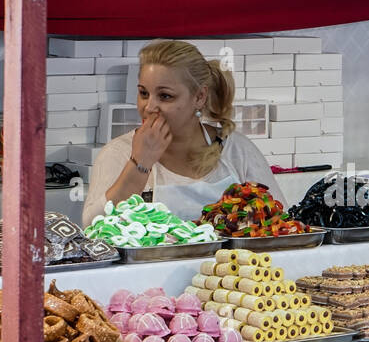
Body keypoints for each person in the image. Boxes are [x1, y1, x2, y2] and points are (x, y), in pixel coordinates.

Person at [82, 39, 283, 225]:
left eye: (165, 96)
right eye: (144, 93)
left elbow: (279, 220)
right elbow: (92, 227)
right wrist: (139, 164)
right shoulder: (118, 153)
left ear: (199, 97)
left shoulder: (236, 149)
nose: (149, 107)